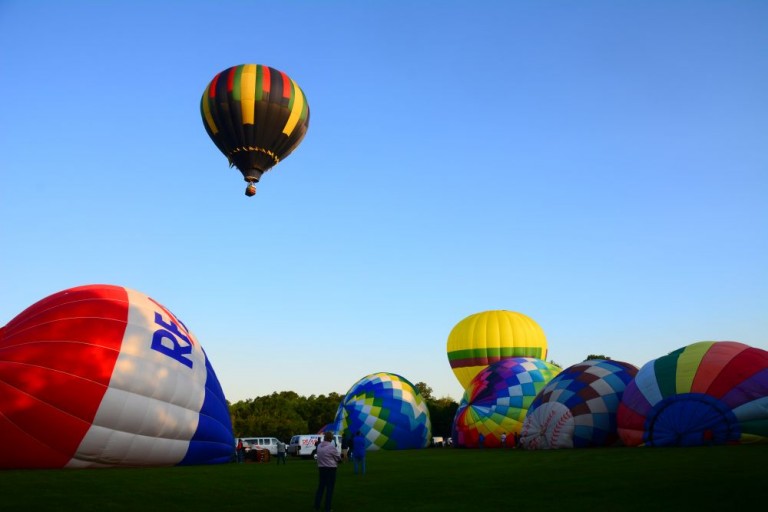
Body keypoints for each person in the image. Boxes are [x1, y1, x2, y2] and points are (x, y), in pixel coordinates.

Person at [314, 431, 341, 512]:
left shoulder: (319, 446)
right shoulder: (331, 447)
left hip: (321, 468)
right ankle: (327, 507)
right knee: (330, 488)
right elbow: (338, 458)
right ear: (331, 438)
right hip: (330, 469)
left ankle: (317, 505)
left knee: (321, 487)